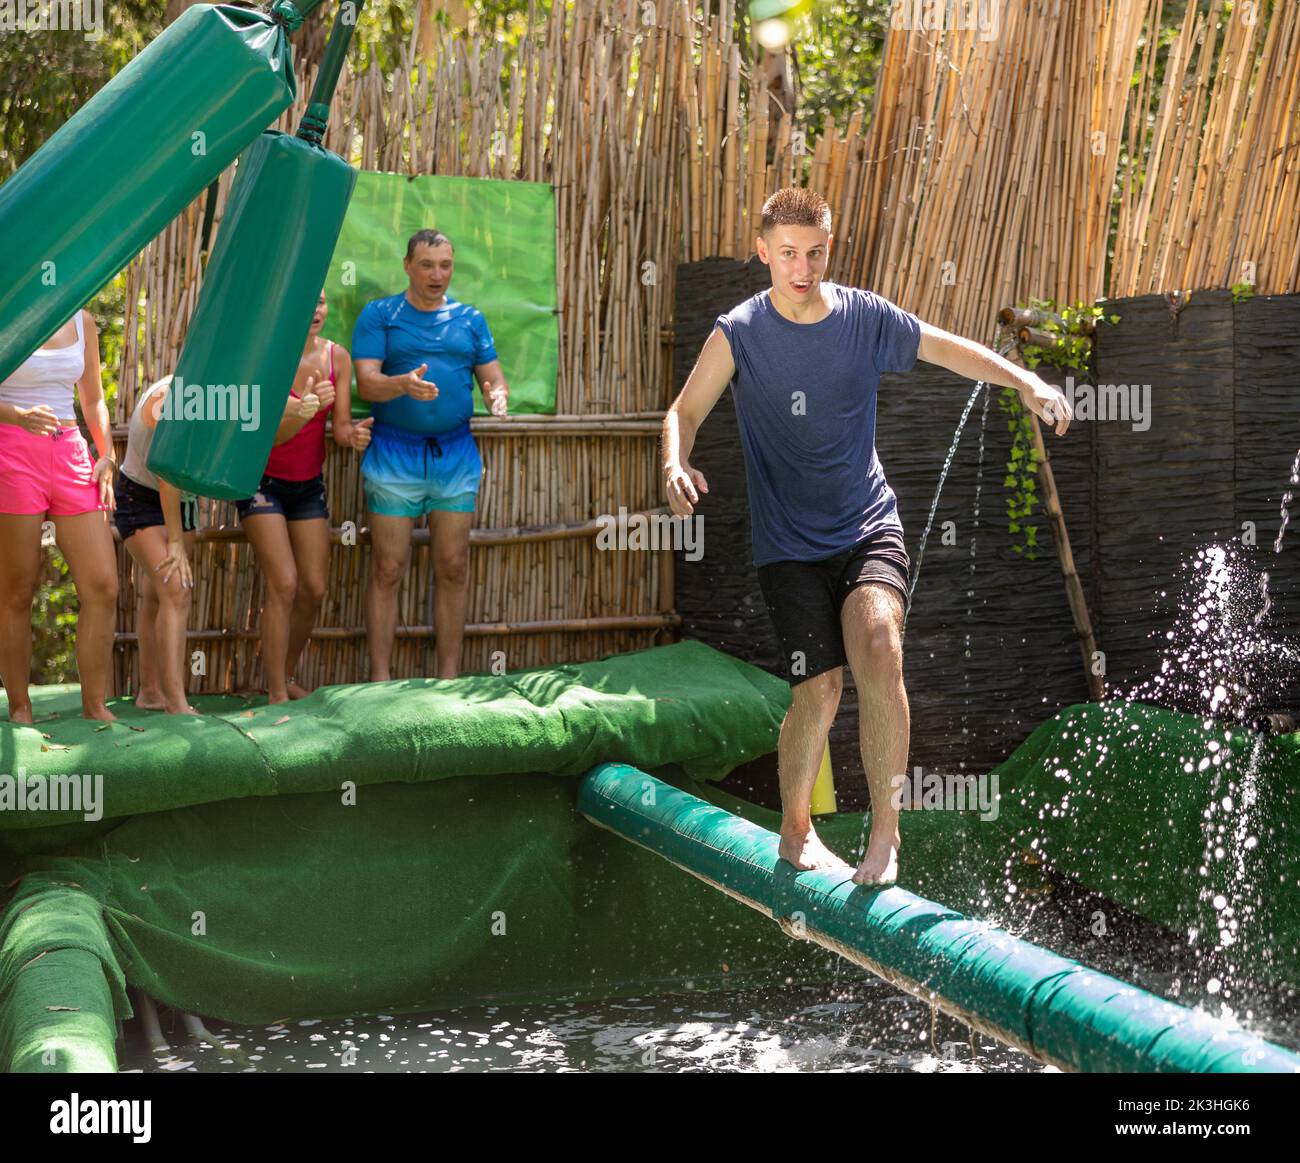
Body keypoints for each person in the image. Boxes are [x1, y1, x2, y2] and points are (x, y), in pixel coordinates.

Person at [662, 186, 1072, 886]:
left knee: (880, 648)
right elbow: (685, 410)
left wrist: (1024, 381)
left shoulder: (863, 317)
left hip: (866, 525)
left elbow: (948, 349)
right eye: (788, 253)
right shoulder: (740, 332)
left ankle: (886, 835)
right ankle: (796, 829)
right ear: (763, 252)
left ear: (830, 249)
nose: (803, 267)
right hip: (788, 547)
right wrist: (676, 460)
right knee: (819, 690)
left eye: (815, 252)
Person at [351, 228, 509, 681]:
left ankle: (449, 678)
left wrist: (497, 395)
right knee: (388, 566)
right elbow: (367, 384)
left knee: (454, 565)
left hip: (455, 455)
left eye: (445, 265)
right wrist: (402, 384)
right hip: (393, 453)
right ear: (407, 266)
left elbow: (493, 378)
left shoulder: (470, 319)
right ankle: (380, 679)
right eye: (426, 265)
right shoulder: (380, 315)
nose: (437, 275)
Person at [236, 290, 371, 704]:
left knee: (313, 588)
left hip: (308, 485)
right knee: (284, 583)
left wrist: (353, 435)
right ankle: (276, 693)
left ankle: (286, 674)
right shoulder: (266, 355)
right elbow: (267, 435)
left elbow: (340, 426)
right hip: (260, 483)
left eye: (321, 302)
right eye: (306, 300)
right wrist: (303, 411)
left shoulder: (337, 358)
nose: (315, 310)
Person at [0, 308, 119, 723]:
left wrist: (107, 453)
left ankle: (95, 706)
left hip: (71, 451)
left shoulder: (83, 321)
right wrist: (16, 416)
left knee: (103, 586)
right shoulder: (9, 305)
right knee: (17, 589)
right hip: (12, 450)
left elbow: (94, 399)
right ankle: (21, 707)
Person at [115, 375, 200, 715]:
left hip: (184, 498)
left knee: (158, 595)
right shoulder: (167, 398)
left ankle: (150, 691)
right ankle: (175, 702)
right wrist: (175, 540)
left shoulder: (223, 394)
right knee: (177, 590)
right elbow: (167, 474)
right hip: (141, 498)